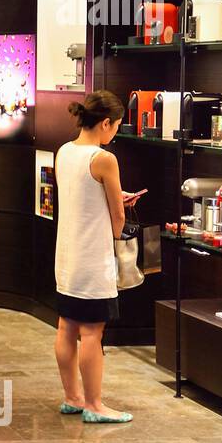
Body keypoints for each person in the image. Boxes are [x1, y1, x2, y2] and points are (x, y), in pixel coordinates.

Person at [54, 90, 138, 424]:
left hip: (67, 256)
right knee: (92, 332)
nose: (114, 132)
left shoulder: (64, 151)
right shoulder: (104, 158)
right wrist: (117, 237)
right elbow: (117, 216)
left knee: (66, 327)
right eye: (116, 126)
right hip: (93, 259)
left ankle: (72, 397)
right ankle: (94, 404)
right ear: (105, 123)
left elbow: (82, 197)